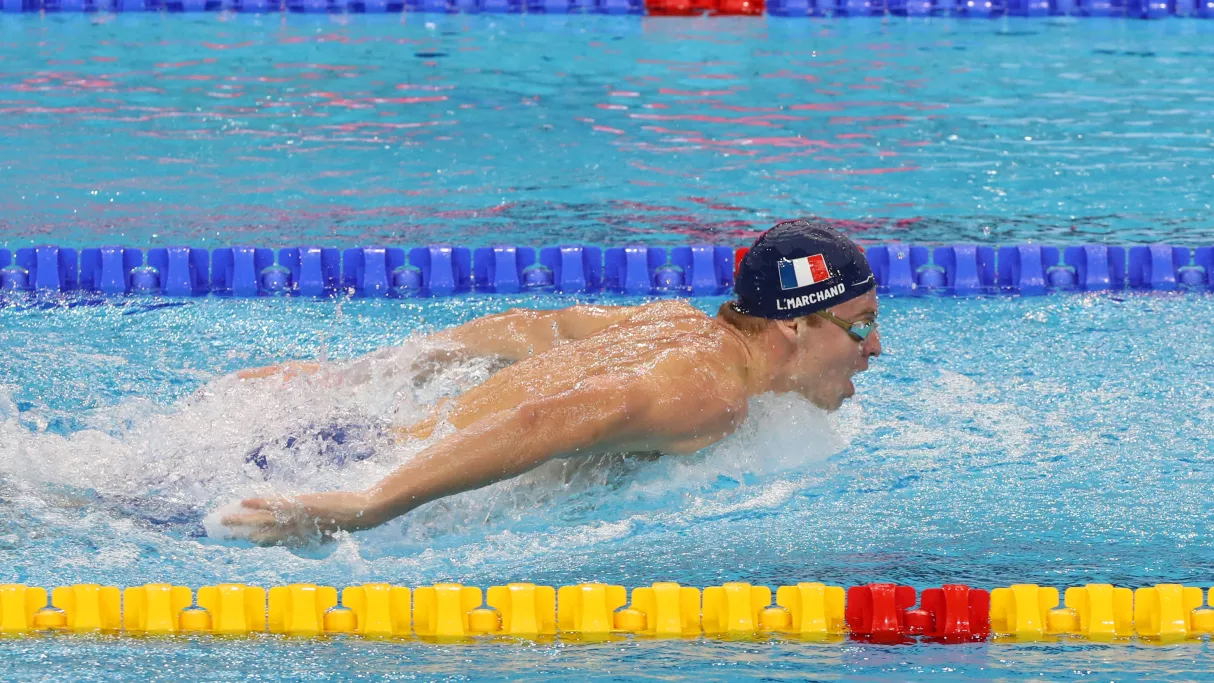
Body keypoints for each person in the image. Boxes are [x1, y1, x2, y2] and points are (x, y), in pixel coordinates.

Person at [221, 219, 882, 545]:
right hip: (355, 469)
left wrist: (349, 376)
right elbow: (548, 418)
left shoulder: (676, 323)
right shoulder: (710, 398)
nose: (874, 348)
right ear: (794, 325)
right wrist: (368, 503)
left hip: (350, 437)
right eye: (859, 326)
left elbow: (539, 329)